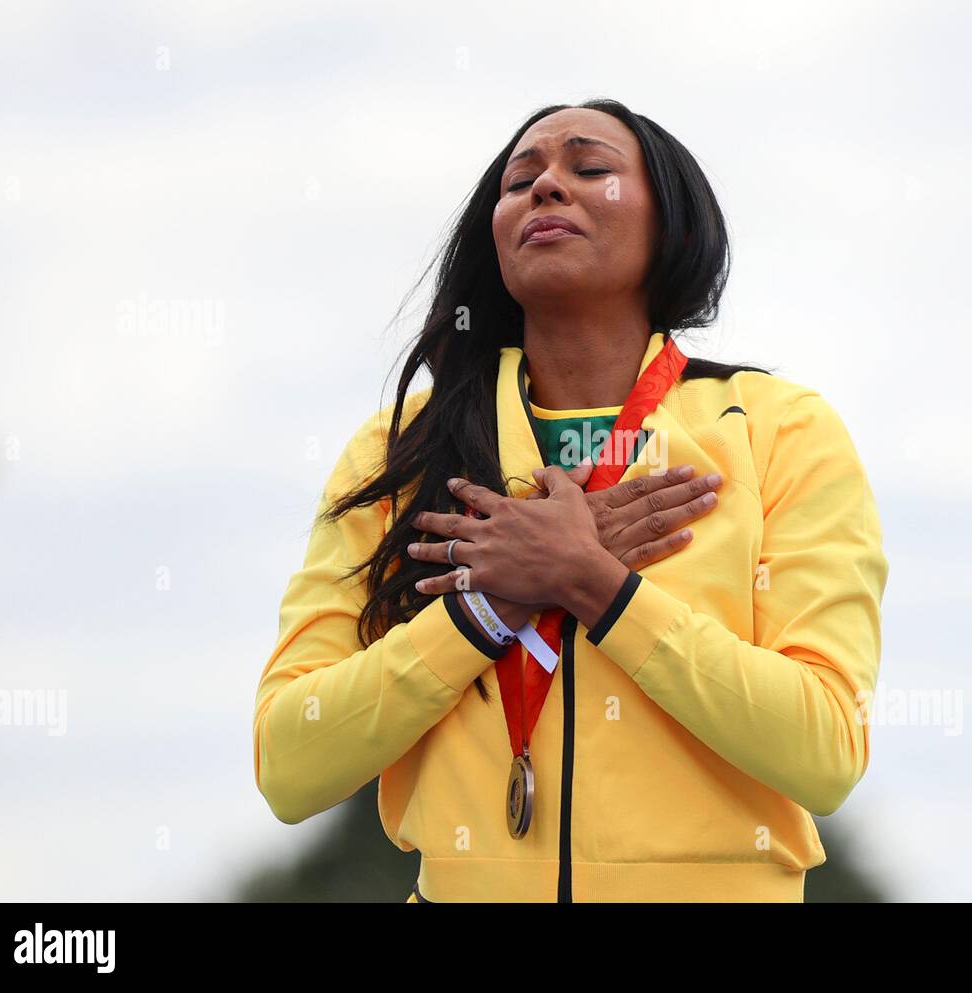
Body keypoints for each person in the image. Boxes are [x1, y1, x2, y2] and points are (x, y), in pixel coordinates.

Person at [252, 99, 889, 903]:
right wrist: (486, 611)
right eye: (521, 181)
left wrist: (593, 582)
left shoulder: (779, 428)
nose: (547, 187)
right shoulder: (401, 449)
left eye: (590, 169)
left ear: (673, 224)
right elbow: (289, 763)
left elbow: (824, 749)